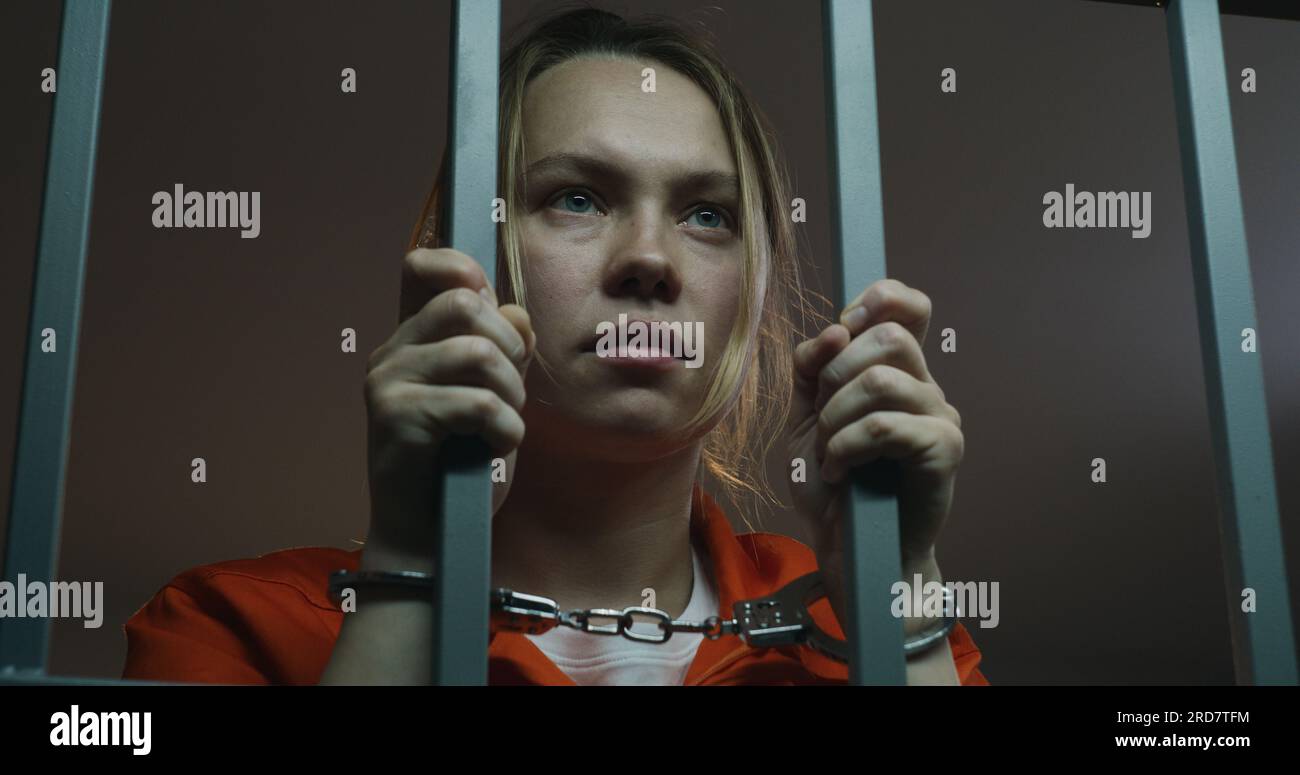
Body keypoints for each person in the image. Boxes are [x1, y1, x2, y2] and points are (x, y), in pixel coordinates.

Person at [122, 6, 987, 686]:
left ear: (752, 298)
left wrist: (894, 588)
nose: (650, 258)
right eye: (577, 198)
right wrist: (413, 569)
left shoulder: (886, 633)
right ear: (469, 258)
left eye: (708, 215)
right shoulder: (232, 624)